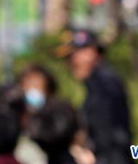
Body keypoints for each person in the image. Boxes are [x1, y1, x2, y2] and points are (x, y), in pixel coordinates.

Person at [57, 30, 133, 164]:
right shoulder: (96, 83)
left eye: (72, 56)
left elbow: (109, 136)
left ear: (90, 53)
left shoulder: (104, 85)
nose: (69, 64)